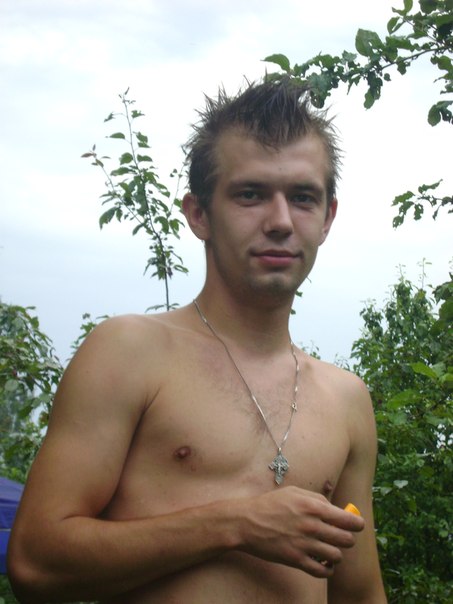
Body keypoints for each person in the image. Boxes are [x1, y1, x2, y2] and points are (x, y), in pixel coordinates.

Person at [8, 78, 387, 603]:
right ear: (199, 214)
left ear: (328, 218)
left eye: (303, 198)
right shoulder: (129, 353)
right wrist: (237, 524)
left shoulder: (347, 400)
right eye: (250, 194)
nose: (280, 221)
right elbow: (34, 563)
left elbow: (359, 594)